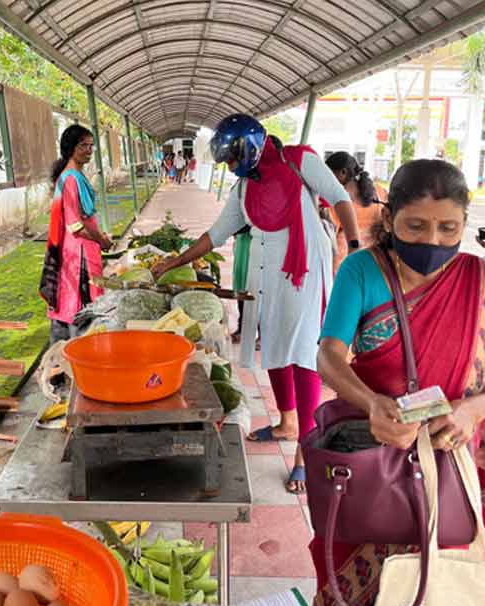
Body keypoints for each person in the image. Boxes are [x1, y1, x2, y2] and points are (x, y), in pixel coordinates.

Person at [313, 159, 485, 606]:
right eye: (416, 225)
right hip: (376, 461)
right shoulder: (362, 270)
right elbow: (329, 355)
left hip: (453, 464)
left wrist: (474, 409)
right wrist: (371, 402)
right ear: (390, 218)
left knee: (445, 603)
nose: (433, 241)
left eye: (448, 228)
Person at [152, 114, 362, 492]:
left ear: (247, 146)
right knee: (276, 352)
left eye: (232, 159)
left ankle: (304, 454)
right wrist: (176, 260)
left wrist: (357, 248)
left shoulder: (299, 161)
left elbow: (340, 199)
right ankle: (287, 422)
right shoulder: (245, 188)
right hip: (266, 277)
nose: (232, 168)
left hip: (304, 274)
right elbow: (215, 234)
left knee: (302, 356)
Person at [40, 124, 113, 344]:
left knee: (73, 304)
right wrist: (101, 239)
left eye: (92, 146)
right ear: (70, 147)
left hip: (82, 250)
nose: (89, 150)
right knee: (81, 306)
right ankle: (75, 359)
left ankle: (74, 356)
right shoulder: (70, 179)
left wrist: (101, 236)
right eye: (84, 145)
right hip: (78, 254)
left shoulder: (74, 176)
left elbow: (85, 218)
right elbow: (75, 225)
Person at [324, 151, 387, 258]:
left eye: (328, 174)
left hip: (344, 266)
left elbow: (329, 239)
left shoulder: (337, 202)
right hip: (374, 261)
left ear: (343, 172)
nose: (325, 179)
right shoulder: (379, 192)